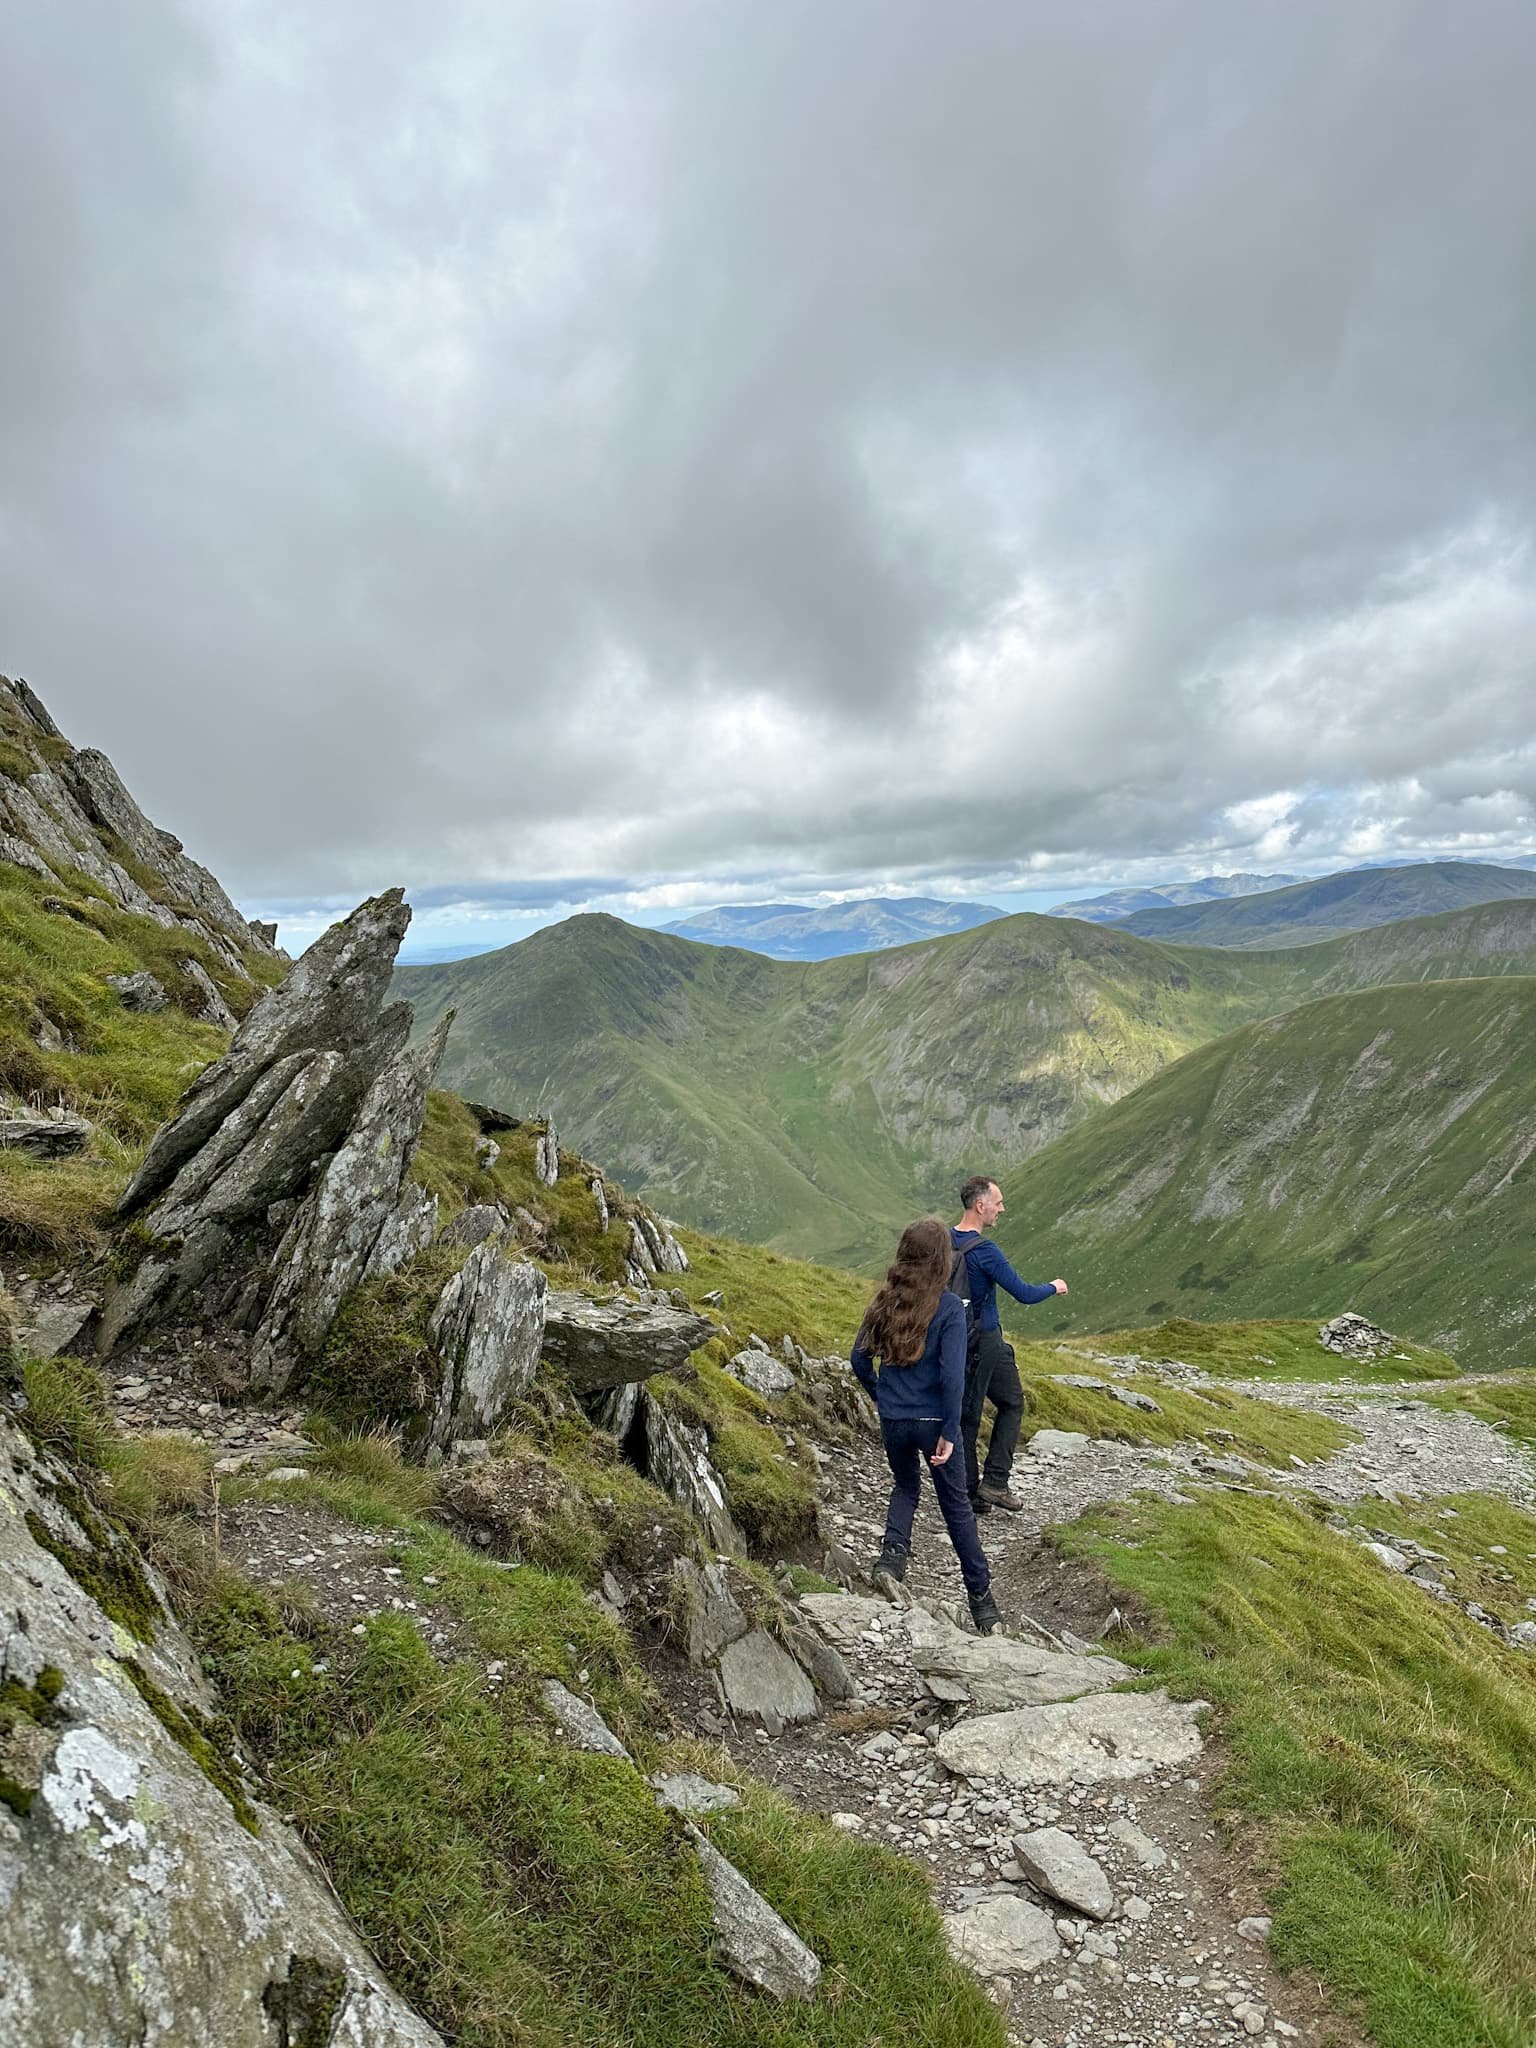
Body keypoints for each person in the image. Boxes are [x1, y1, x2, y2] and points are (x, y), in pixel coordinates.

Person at [850, 1217, 1002, 1634]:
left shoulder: (884, 1300)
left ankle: (891, 1559)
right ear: (941, 1260)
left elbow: (858, 1359)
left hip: (895, 1419)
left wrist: (881, 1394)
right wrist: (951, 1433)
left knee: (905, 1485)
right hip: (934, 1423)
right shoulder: (950, 1307)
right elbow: (954, 1378)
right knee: (956, 1509)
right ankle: (983, 1604)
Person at [952, 1175, 1068, 1515]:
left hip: (961, 1336)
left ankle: (994, 1482)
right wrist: (1054, 1286)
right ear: (980, 1205)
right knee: (969, 1416)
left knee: (1012, 1400)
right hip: (982, 1340)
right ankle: (975, 1492)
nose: (1001, 1209)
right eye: (998, 1203)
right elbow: (1024, 1293)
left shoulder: (943, 1240)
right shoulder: (985, 1251)